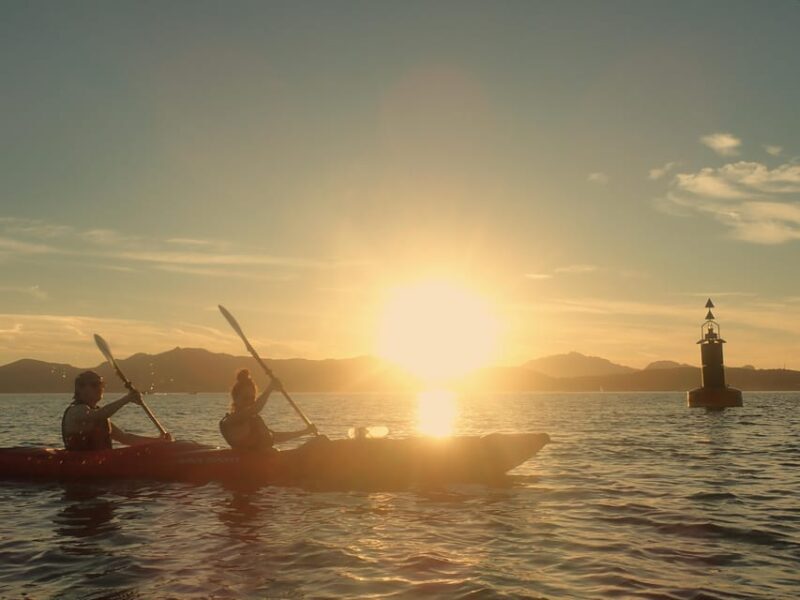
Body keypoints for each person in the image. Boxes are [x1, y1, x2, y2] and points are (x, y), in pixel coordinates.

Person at [62, 371, 172, 451]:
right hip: (81, 466)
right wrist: (127, 398)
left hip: (99, 463)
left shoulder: (98, 413)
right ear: (80, 389)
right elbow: (99, 415)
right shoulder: (76, 411)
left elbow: (125, 438)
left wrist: (158, 441)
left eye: (101, 384)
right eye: (95, 384)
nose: (100, 388)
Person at [219, 369, 316, 451]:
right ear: (235, 399)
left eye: (252, 398)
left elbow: (274, 437)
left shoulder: (254, 419)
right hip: (252, 466)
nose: (249, 402)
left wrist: (305, 432)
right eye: (245, 398)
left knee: (320, 442)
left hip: (270, 462)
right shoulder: (230, 421)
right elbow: (255, 409)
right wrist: (270, 388)